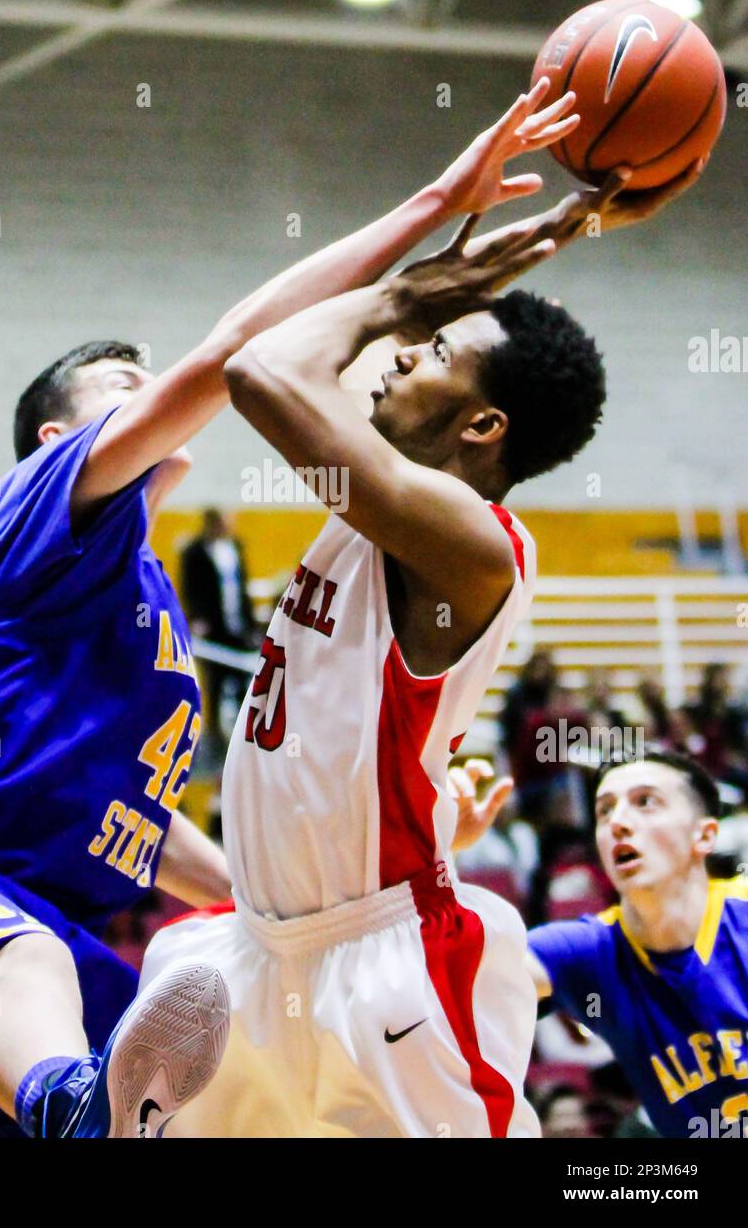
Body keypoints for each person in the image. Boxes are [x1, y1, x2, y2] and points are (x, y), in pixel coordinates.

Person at [0, 77, 605, 1141]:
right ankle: (67, 1102)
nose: (153, 388)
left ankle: (75, 1102)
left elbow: (139, 833)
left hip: (161, 938)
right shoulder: (34, 512)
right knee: (43, 983)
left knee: (138, 1044)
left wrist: (392, 832)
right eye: (122, 383)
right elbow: (236, 355)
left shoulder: (152, 599)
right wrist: (431, 208)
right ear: (60, 442)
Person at [140, 83, 702, 1138]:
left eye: (434, 352)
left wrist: (424, 281)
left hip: (385, 963)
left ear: (480, 425)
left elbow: (262, 368)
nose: (400, 350)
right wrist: (535, 229)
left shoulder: (465, 539)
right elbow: (276, 339)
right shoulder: (386, 486)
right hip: (262, 946)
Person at [527, 748, 748, 1138]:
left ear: (705, 835)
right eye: (604, 811)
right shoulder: (586, 951)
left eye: (645, 802)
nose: (618, 823)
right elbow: (455, 978)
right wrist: (433, 853)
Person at [181, 509, 256, 754]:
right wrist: (197, 619)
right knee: (215, 681)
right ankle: (214, 735)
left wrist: (251, 623)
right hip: (214, 628)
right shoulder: (194, 551)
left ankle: (246, 730)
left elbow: (242, 587)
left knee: (245, 679)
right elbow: (190, 588)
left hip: (237, 625)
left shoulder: (235, 546)